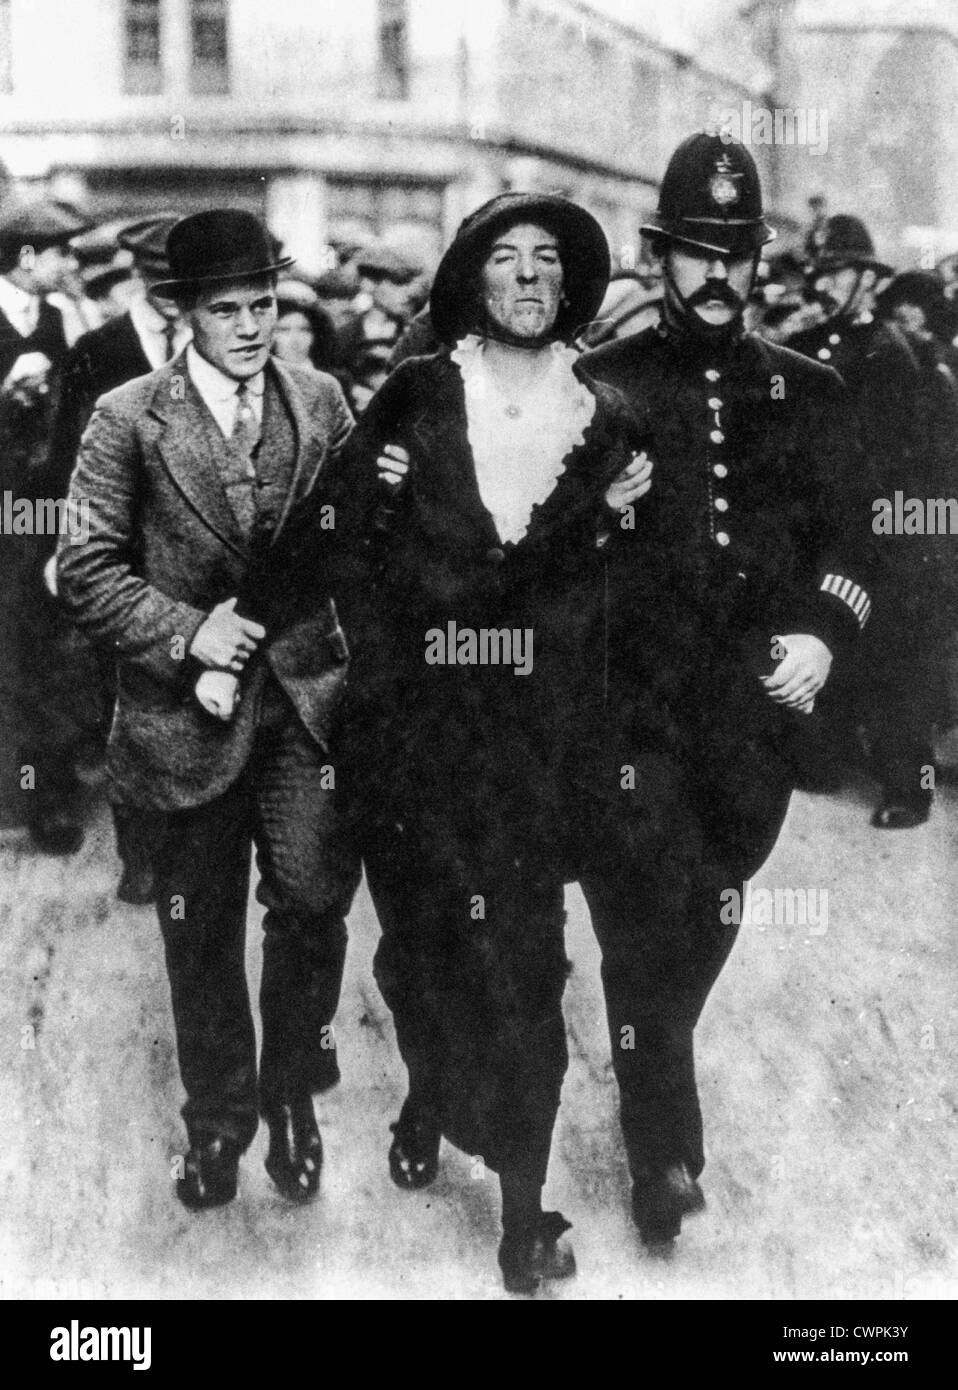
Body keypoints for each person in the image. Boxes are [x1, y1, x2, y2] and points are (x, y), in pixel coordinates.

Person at [326, 191, 657, 1292]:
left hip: (536, 753)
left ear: (569, 284)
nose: (526, 276)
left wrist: (619, 517)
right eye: (504, 257)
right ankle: (428, 1093)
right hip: (417, 745)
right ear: (472, 280)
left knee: (526, 968)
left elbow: (628, 592)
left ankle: (523, 1209)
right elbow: (338, 539)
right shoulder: (419, 391)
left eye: (546, 259)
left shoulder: (607, 418)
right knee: (418, 954)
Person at [580, 134, 875, 1248]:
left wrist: (826, 634)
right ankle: (663, 1151)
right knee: (644, 906)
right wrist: (597, 514)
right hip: (633, 710)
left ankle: (651, 1057)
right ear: (658, 256)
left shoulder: (811, 390)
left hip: (756, 714)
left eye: (734, 255)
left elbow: (858, 541)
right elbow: (538, 552)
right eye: (695, 253)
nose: (716, 275)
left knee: (713, 898)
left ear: (758, 263)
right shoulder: (598, 383)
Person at [57, 210, 361, 1211]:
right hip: (182, 720)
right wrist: (191, 634)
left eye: (263, 304)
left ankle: (292, 1092)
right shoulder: (126, 417)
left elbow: (361, 543)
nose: (250, 326)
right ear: (181, 312)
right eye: (226, 310)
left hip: (305, 706)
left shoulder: (320, 400)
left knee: (313, 904)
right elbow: (85, 570)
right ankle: (219, 1121)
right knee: (200, 928)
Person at [39, 213, 190, 898]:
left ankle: (183, 843)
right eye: (161, 281)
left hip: (195, 551)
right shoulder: (99, 350)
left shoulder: (212, 343)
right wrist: (67, 546)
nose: (173, 295)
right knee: (130, 704)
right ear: (139, 276)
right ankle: (143, 854)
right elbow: (66, 458)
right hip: (121, 554)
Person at [788, 216, 933, 828]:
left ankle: (909, 784)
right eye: (819, 273)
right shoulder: (811, 343)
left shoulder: (891, 354)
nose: (822, 285)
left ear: (868, 279)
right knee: (826, 629)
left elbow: (905, 459)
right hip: (824, 521)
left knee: (891, 655)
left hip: (883, 523)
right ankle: (829, 752)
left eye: (837, 273)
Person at [0, 197, 88, 854]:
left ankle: (47, 801)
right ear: (28, 257)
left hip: (40, 512)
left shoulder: (58, 319)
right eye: (62, 252)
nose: (71, 264)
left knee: (44, 645)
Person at [271, 278, 338, 372]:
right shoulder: (258, 379)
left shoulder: (336, 378)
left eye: (304, 330)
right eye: (284, 330)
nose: (295, 341)